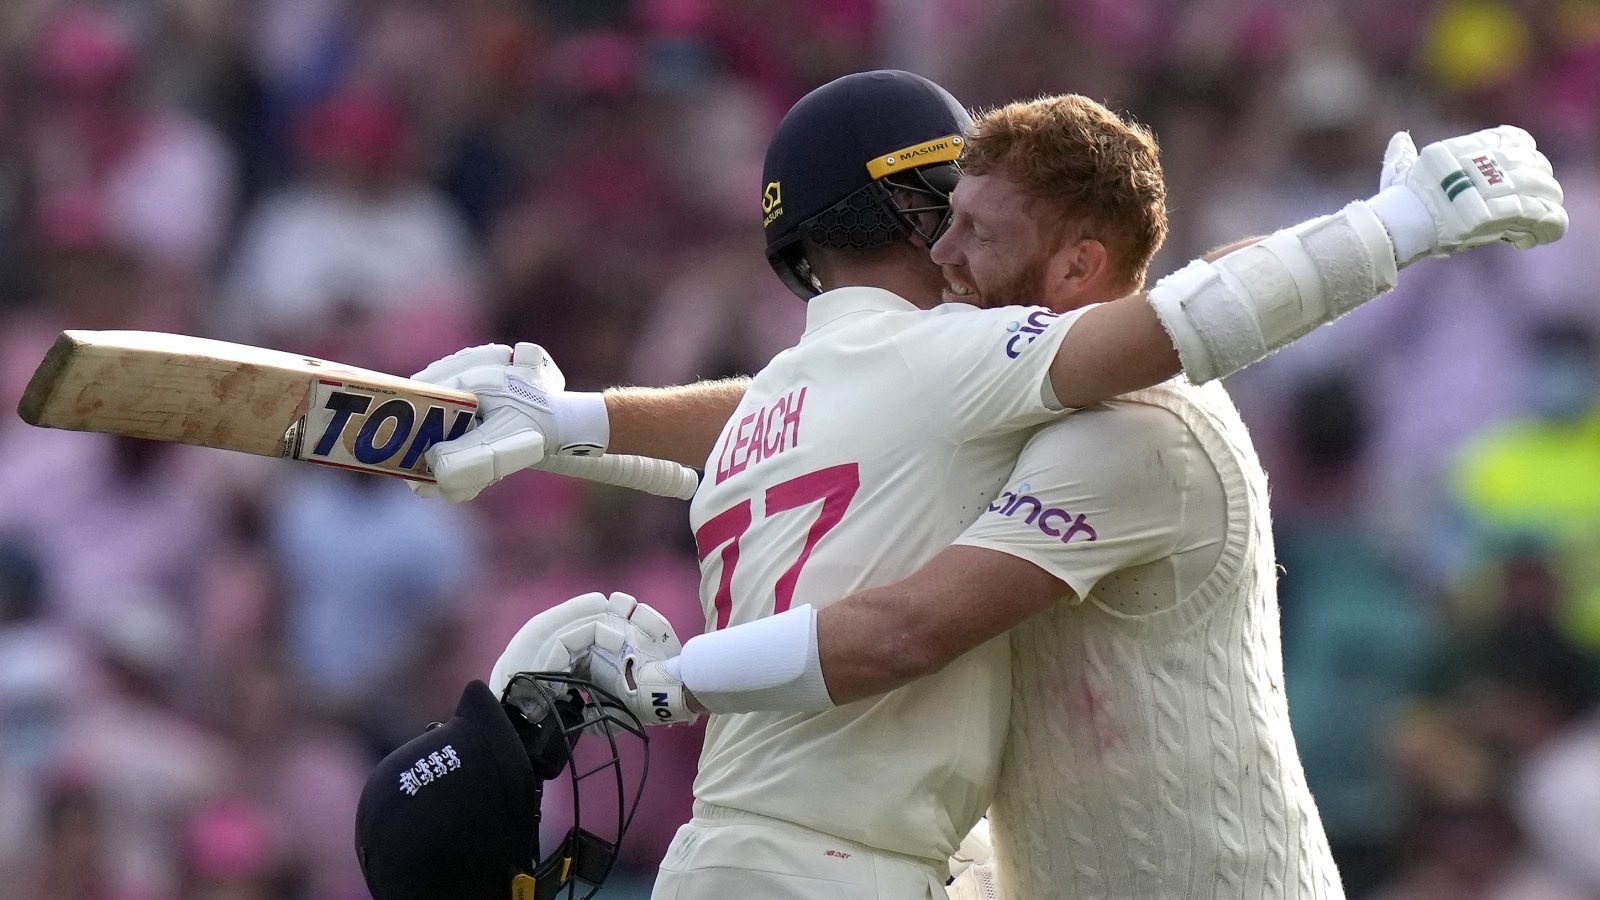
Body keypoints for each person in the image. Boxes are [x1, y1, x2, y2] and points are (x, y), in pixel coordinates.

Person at [378, 71, 1565, 900]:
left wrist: (571, 425)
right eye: (946, 219)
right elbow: (1181, 314)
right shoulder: (940, 371)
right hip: (848, 873)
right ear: (905, 202)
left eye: (976, 231)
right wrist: (1400, 226)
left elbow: (1170, 313)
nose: (952, 255)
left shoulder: (810, 398)